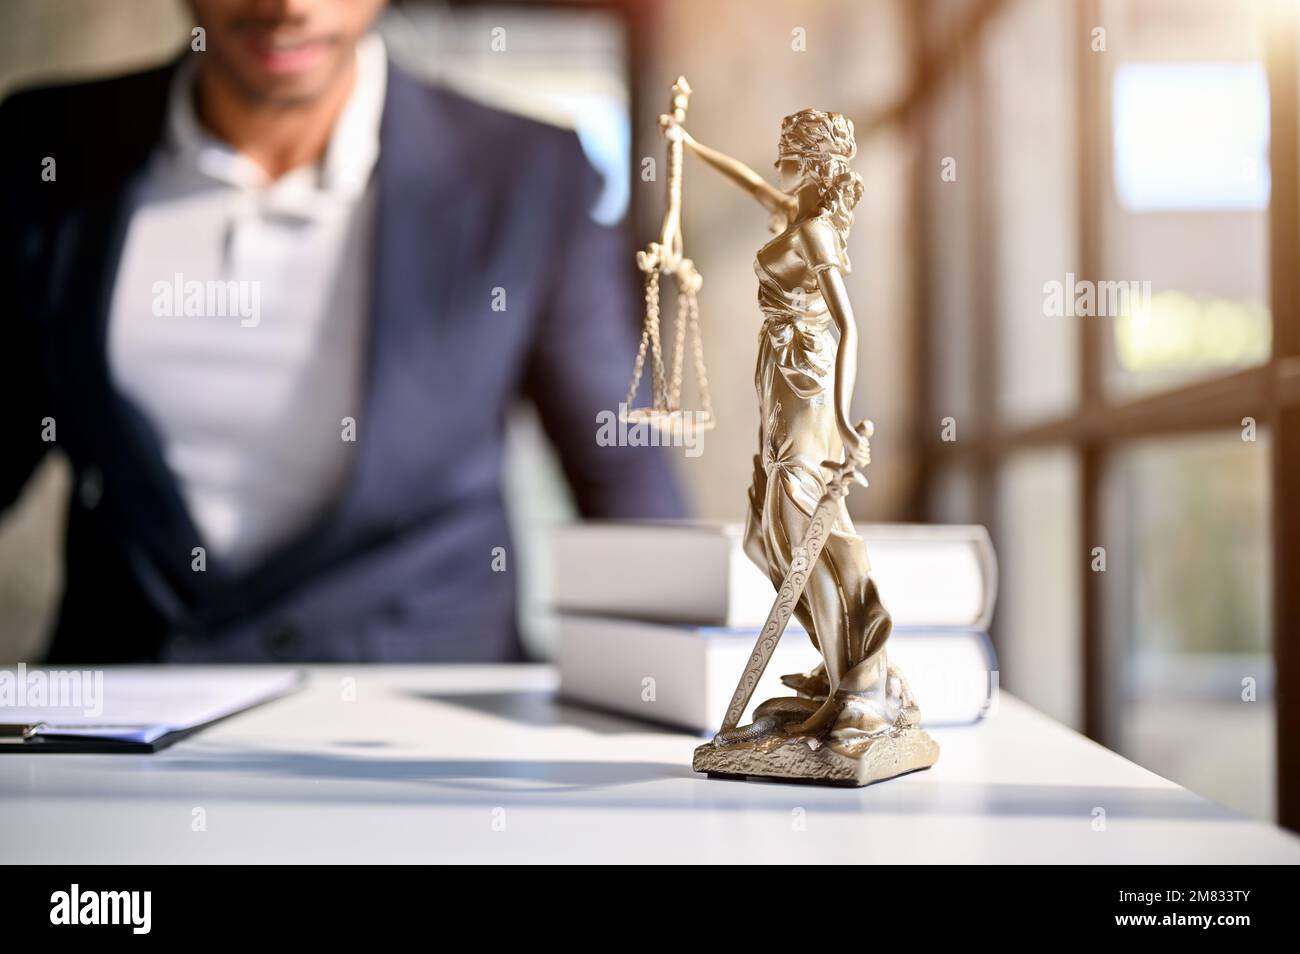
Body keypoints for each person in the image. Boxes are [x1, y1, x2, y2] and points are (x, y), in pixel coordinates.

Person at [0, 0, 683, 664]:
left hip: (419, 729)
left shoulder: (527, 174)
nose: (289, 7)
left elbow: (623, 472)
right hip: (118, 725)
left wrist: (676, 713)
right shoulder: (49, 147)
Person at [660, 107, 918, 739]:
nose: (783, 164)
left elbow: (849, 326)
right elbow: (749, 183)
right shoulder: (797, 212)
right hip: (777, 369)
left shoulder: (818, 234)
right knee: (765, 534)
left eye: (794, 154)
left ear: (815, 161)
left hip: (806, 372)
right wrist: (689, 144)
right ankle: (840, 667)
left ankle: (852, 684)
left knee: (800, 514)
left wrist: (843, 417)